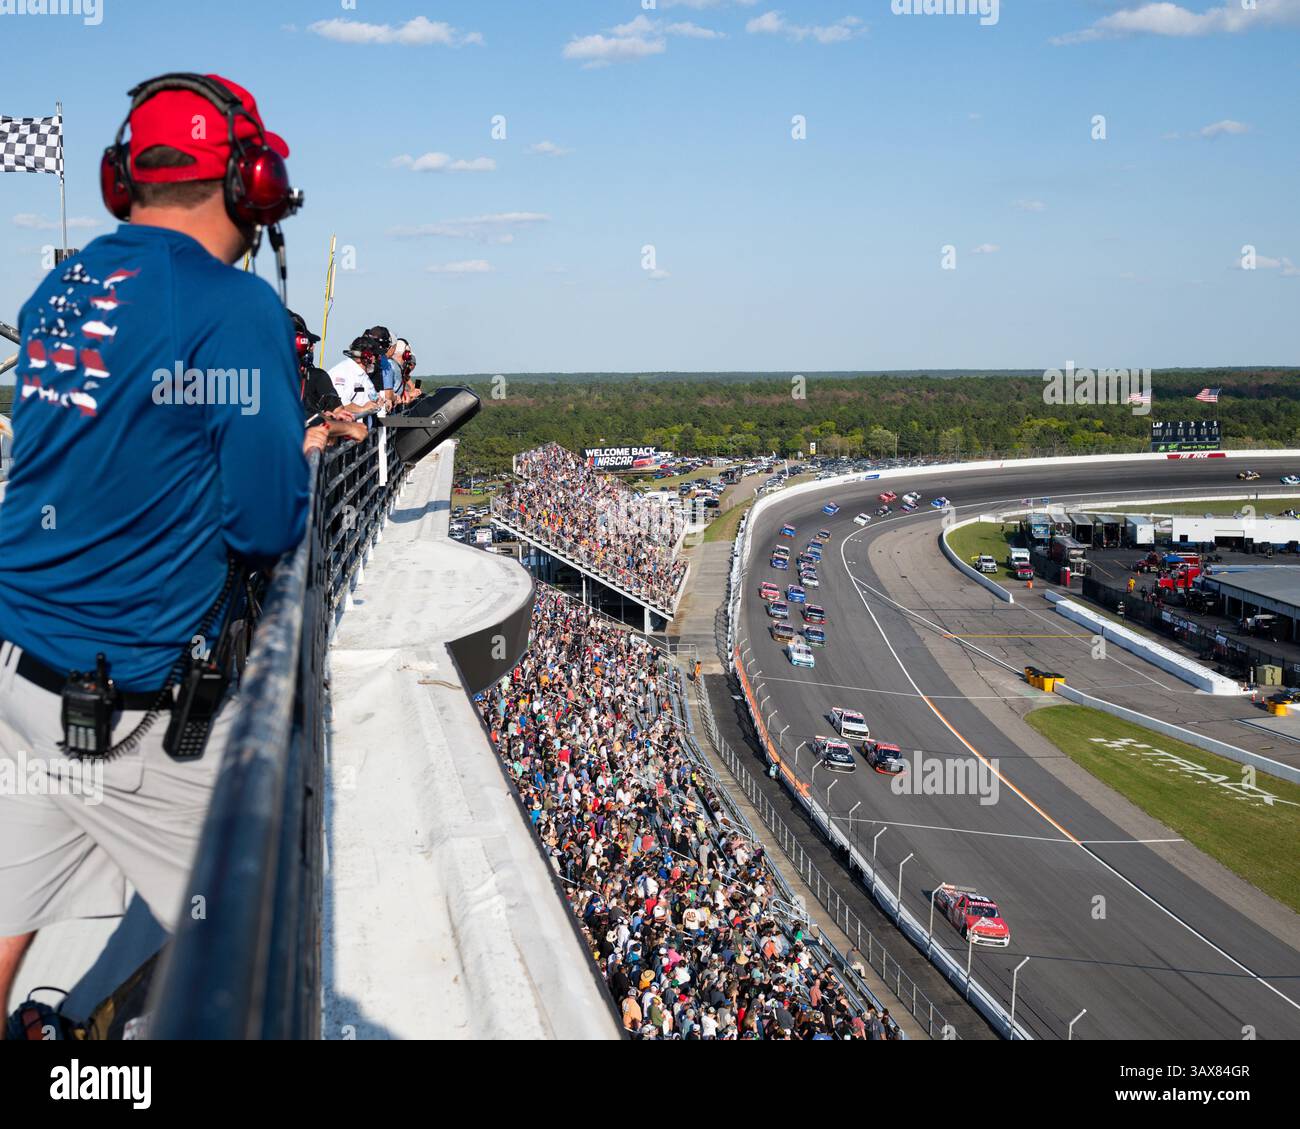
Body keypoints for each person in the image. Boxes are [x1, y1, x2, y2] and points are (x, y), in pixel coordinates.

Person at [0, 72, 309, 1010]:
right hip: (132, 706)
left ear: (120, 180)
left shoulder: (64, 280)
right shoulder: (235, 307)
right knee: (265, 944)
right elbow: (268, 518)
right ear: (251, 183)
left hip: (20, 674)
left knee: (9, 906)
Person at [328, 335, 382, 413]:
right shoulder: (341, 373)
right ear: (367, 356)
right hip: (345, 424)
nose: (378, 359)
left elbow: (372, 397)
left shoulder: (364, 376)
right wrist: (363, 409)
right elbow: (340, 405)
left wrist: (378, 400)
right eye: (376, 356)